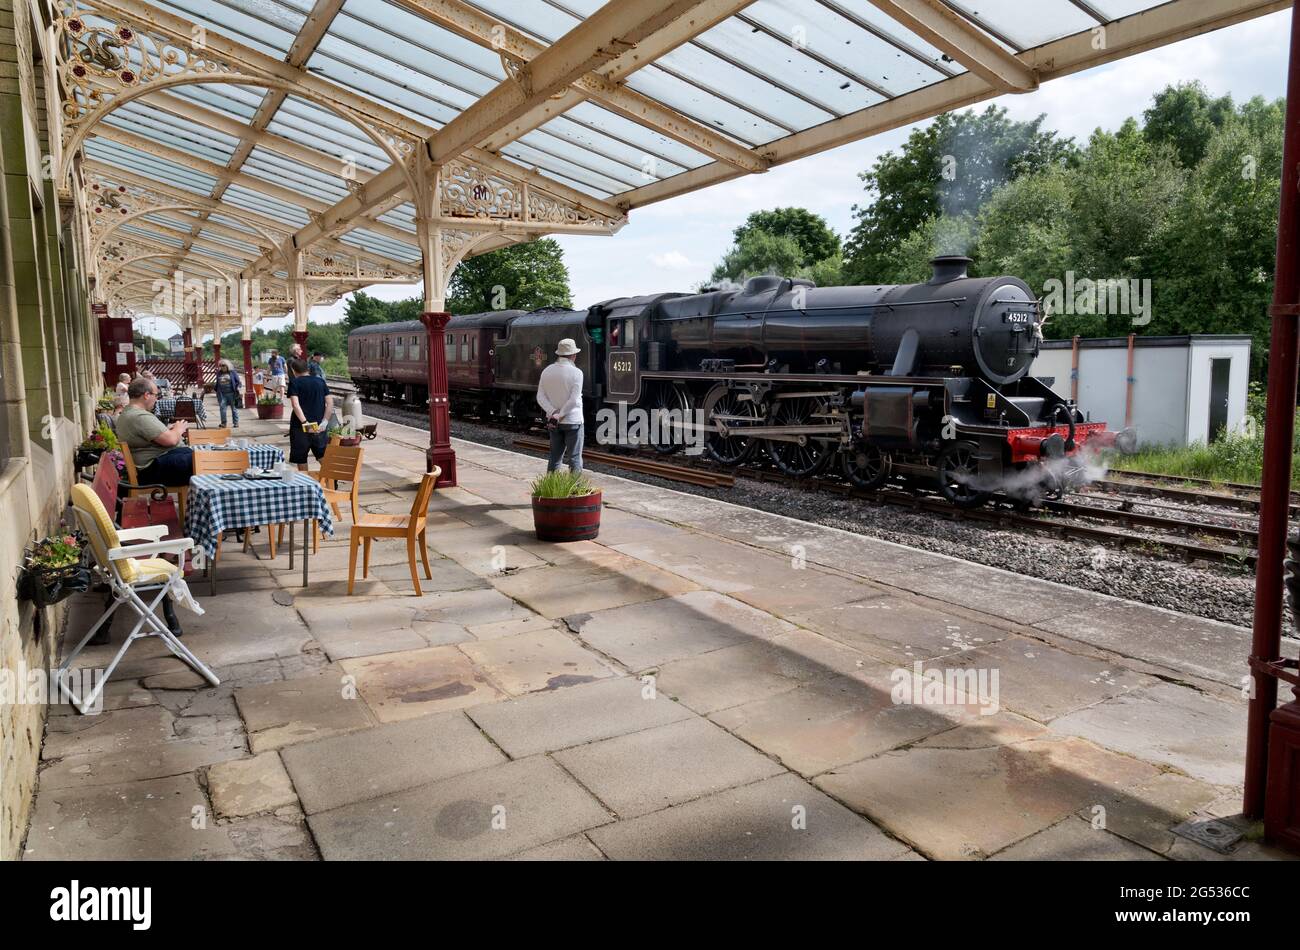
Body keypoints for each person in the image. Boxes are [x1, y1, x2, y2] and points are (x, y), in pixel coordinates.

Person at [115, 377, 192, 486]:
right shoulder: (139, 416)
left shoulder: (128, 413)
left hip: (149, 466)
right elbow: (171, 440)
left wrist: (169, 430)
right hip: (150, 470)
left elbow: (156, 435)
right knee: (203, 461)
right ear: (146, 395)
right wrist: (179, 428)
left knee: (199, 456)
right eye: (156, 395)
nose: (157, 399)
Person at [537, 338, 584, 474]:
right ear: (573, 355)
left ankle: (552, 490)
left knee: (554, 457)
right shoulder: (577, 373)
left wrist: (553, 413)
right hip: (573, 421)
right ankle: (575, 491)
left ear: (559, 354)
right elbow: (574, 400)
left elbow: (540, 397)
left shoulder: (546, 371)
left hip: (553, 422)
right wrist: (560, 414)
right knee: (574, 458)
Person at [287, 358, 332, 470]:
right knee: (322, 454)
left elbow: (295, 404)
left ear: (293, 370)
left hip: (300, 427)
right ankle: (332, 480)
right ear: (307, 369)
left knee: (301, 457)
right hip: (319, 425)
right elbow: (330, 403)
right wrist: (325, 422)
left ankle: (306, 481)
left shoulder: (294, 382)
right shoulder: (320, 381)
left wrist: (305, 423)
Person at [213, 358, 242, 428]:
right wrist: (215, 389)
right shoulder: (219, 373)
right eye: (220, 366)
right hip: (222, 394)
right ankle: (223, 423)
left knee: (234, 409)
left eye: (223, 365)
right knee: (222, 408)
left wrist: (237, 388)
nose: (222, 367)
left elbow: (238, 382)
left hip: (231, 393)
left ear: (227, 366)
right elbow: (217, 382)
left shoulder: (232, 372)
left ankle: (236, 422)